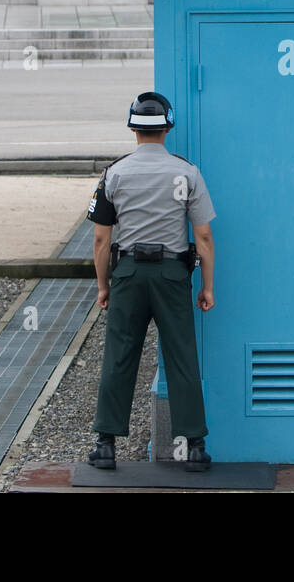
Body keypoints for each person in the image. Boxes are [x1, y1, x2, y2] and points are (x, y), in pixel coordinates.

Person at [86, 91, 216, 472]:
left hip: (128, 273)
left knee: (120, 353)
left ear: (132, 128)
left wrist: (103, 285)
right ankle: (194, 447)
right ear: (167, 128)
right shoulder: (187, 172)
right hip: (173, 273)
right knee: (181, 355)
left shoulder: (115, 173)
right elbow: (204, 236)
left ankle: (106, 445)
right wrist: (207, 286)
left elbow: (100, 238)